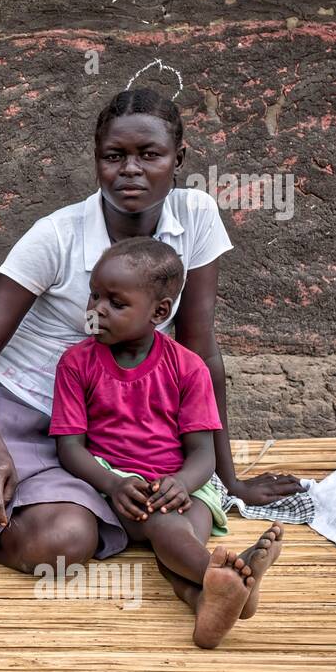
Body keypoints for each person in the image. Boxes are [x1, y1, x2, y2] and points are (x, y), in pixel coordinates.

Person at [0, 85, 302, 576]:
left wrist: (228, 479)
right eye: (114, 156)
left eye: (149, 155)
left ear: (179, 158)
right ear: (96, 160)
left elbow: (200, 355)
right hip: (15, 417)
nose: (130, 169)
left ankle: (197, 578)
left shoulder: (195, 217)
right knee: (61, 545)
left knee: (107, 527)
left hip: (106, 433)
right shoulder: (57, 236)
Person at [50, 237, 283, 648]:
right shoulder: (76, 363)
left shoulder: (188, 368)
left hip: (183, 485)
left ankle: (207, 599)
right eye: (94, 296)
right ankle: (229, 575)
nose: (96, 310)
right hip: (117, 487)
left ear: (159, 312)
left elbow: (202, 454)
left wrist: (182, 481)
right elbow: (70, 448)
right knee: (167, 529)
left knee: (174, 543)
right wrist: (111, 484)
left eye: (115, 303)